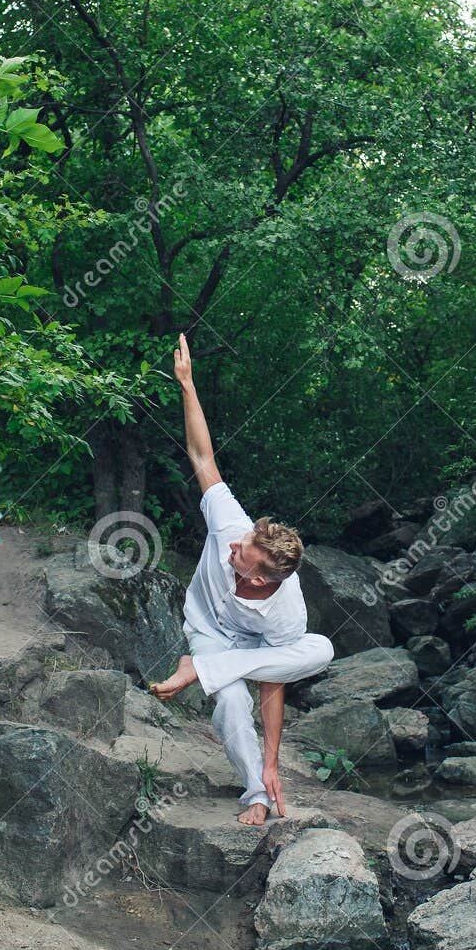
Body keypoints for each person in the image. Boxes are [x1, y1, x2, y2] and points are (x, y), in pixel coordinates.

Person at [150, 332, 335, 825]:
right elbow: (203, 457)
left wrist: (275, 759)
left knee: (321, 649)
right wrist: (188, 385)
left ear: (258, 580)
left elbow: (273, 683)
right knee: (231, 700)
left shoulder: (285, 609)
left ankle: (201, 674)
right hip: (208, 635)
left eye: (240, 554)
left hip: (241, 651)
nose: (232, 546)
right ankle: (255, 793)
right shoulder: (234, 523)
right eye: (241, 541)